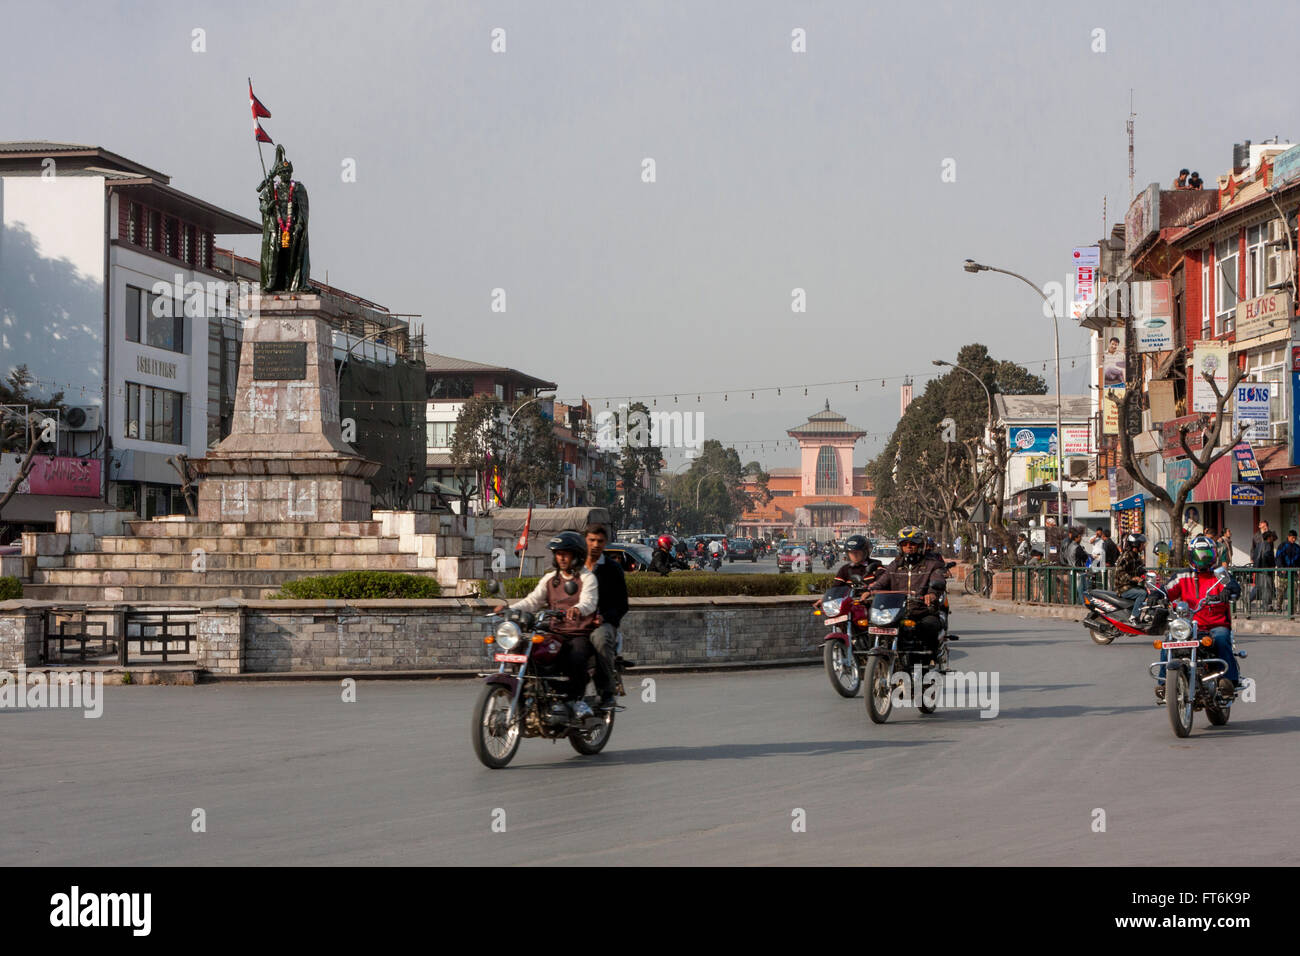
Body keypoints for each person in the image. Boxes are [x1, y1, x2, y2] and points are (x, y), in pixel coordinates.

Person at [494, 531, 599, 714]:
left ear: (577, 555)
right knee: (529, 651)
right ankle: (530, 694)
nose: (562, 557)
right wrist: (511, 609)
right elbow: (532, 601)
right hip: (555, 632)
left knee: (576, 656)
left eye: (566, 553)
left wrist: (577, 609)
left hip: (577, 632)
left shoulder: (587, 578)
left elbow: (589, 601)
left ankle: (576, 700)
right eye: (558, 553)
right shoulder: (551, 579)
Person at [1157, 534, 1244, 702]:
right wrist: (1156, 595)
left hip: (1215, 624)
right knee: (1169, 639)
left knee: (1221, 638)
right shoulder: (1183, 576)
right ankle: (1164, 683)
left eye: (1207, 555)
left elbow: (1233, 586)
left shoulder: (1220, 574)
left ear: (1213, 555)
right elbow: (1166, 589)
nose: (1203, 559)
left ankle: (1229, 681)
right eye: (1199, 555)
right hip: (1188, 625)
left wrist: (1228, 591)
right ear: (1191, 556)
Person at [869, 526, 947, 655]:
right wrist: (871, 590)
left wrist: (932, 594)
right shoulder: (895, 565)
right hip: (896, 612)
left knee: (929, 627)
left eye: (913, 543)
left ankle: (927, 663)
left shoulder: (932, 564)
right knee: (872, 626)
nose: (908, 547)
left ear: (920, 545)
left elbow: (938, 580)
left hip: (922, 611)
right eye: (904, 544)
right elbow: (882, 582)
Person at [584, 524, 628, 711]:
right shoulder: (575, 568)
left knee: (600, 640)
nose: (595, 545)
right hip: (575, 623)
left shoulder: (613, 569)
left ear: (605, 543)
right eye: (591, 540)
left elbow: (622, 605)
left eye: (599, 541)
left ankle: (607, 691)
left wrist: (604, 617)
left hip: (603, 624)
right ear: (584, 541)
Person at [1114, 532, 1148, 625]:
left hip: (1132, 586)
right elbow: (1120, 572)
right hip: (1123, 588)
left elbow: (1140, 569)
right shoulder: (1126, 556)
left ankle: (1145, 616)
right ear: (1136, 544)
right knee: (1142, 593)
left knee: (1150, 593)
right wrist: (1133, 578)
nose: (1143, 546)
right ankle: (1133, 617)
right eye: (1142, 544)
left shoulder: (1136, 556)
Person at [1252, 523, 1276, 610]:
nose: (1273, 539)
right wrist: (1271, 565)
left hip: (1259, 569)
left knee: (1259, 587)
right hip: (1266, 569)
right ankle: (1267, 605)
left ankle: (1248, 599)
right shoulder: (1268, 545)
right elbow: (1267, 556)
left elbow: (1255, 555)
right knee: (1267, 587)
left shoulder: (1259, 545)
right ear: (1269, 538)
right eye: (1272, 537)